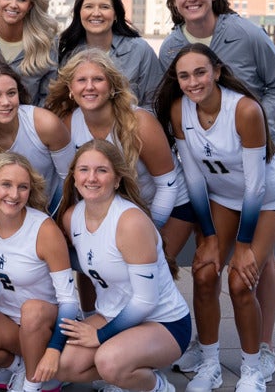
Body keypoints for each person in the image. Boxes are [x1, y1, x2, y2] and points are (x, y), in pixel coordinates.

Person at [159, 0, 275, 379]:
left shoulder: (246, 34)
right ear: (174, 0)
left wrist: (257, 136)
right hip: (214, 172)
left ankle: (262, 351)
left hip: (257, 159)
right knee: (207, 261)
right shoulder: (170, 49)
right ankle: (209, 349)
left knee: (252, 264)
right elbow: (192, 166)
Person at [56, 139, 191, 392]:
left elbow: (145, 301)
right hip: (112, 313)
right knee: (64, 364)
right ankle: (128, 370)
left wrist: (99, 336)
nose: (91, 178)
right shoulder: (71, 217)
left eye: (102, 170)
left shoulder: (130, 222)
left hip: (163, 321)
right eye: (84, 169)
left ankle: (157, 387)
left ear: (117, 179)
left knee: (109, 361)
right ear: (74, 177)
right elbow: (88, 259)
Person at [45, 48, 192, 259]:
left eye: (98, 79)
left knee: (151, 274)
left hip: (167, 206)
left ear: (112, 86)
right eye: (81, 80)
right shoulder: (68, 124)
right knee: (93, 271)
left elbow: (168, 186)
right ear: (70, 88)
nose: (89, 87)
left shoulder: (140, 123)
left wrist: (146, 230)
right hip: (113, 210)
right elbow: (73, 182)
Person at [0, 152, 79, 392]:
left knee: (31, 310)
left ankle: (33, 384)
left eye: (23, 187)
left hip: (46, 322)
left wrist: (54, 348)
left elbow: (69, 301)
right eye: (6, 185)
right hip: (9, 319)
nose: (14, 194)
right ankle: (21, 365)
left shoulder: (44, 229)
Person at [0, 61, 73, 217]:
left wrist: (54, 218)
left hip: (51, 210)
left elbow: (70, 179)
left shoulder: (45, 124)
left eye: (11, 93)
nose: (5, 102)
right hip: (2, 215)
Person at [57, 0, 163, 109]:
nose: (96, 13)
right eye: (89, 6)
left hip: (132, 127)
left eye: (104, 7)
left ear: (116, 14)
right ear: (79, 13)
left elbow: (155, 103)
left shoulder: (140, 50)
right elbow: (61, 103)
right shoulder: (68, 53)